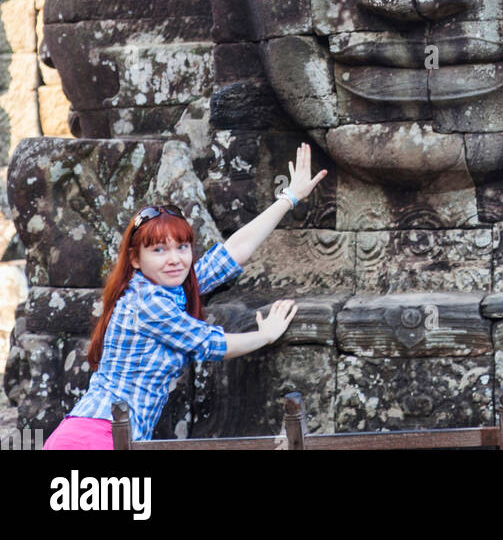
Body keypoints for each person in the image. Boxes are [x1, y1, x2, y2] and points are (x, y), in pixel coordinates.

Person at [42, 143, 327, 449]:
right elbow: (210, 343)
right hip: (95, 437)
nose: (175, 259)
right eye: (159, 250)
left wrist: (290, 197)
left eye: (182, 247)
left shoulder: (170, 287)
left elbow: (232, 253)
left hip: (113, 436)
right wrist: (265, 335)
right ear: (135, 259)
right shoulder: (147, 302)